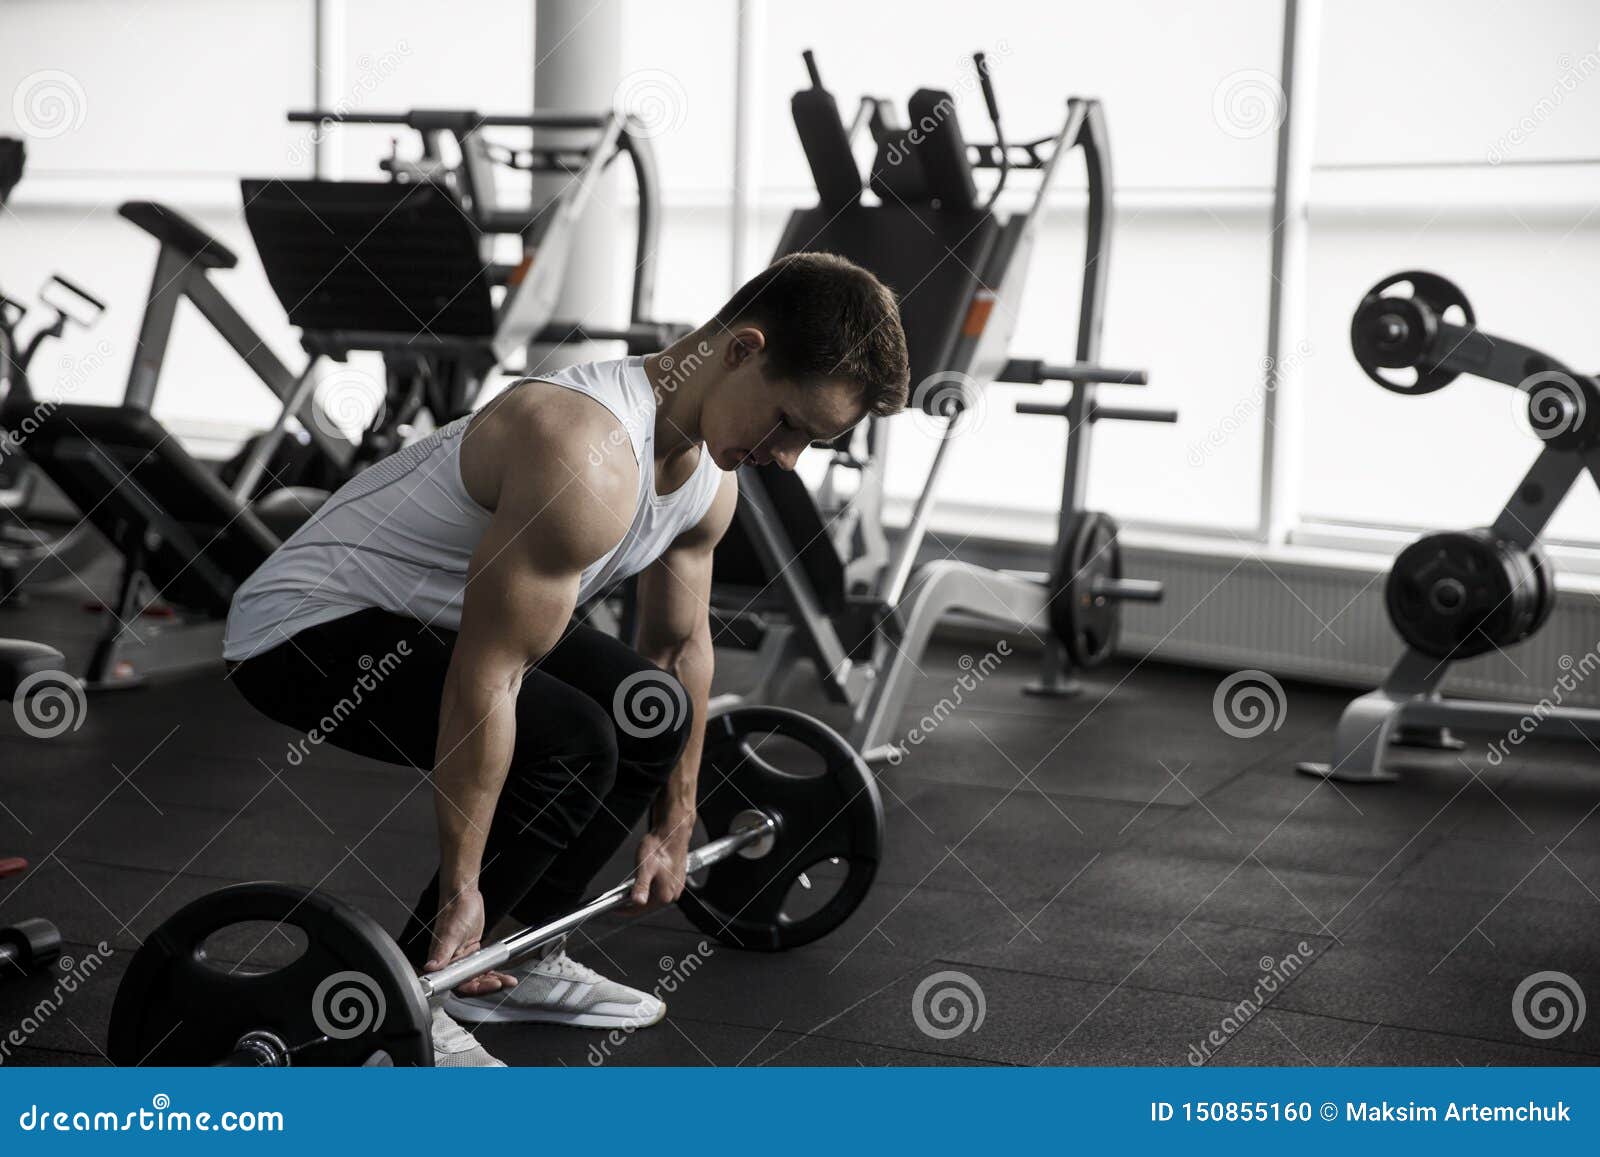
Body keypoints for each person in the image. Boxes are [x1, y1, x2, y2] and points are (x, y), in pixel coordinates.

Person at [223, 252, 910, 1066]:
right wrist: (463, 884)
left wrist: (677, 820)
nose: (790, 458)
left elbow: (680, 649)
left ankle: (522, 954)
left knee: (647, 712)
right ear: (741, 350)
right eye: (790, 424)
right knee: (572, 737)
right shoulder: (583, 449)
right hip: (304, 624)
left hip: (434, 615)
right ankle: (417, 986)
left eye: (812, 441)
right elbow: (493, 673)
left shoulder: (708, 480)